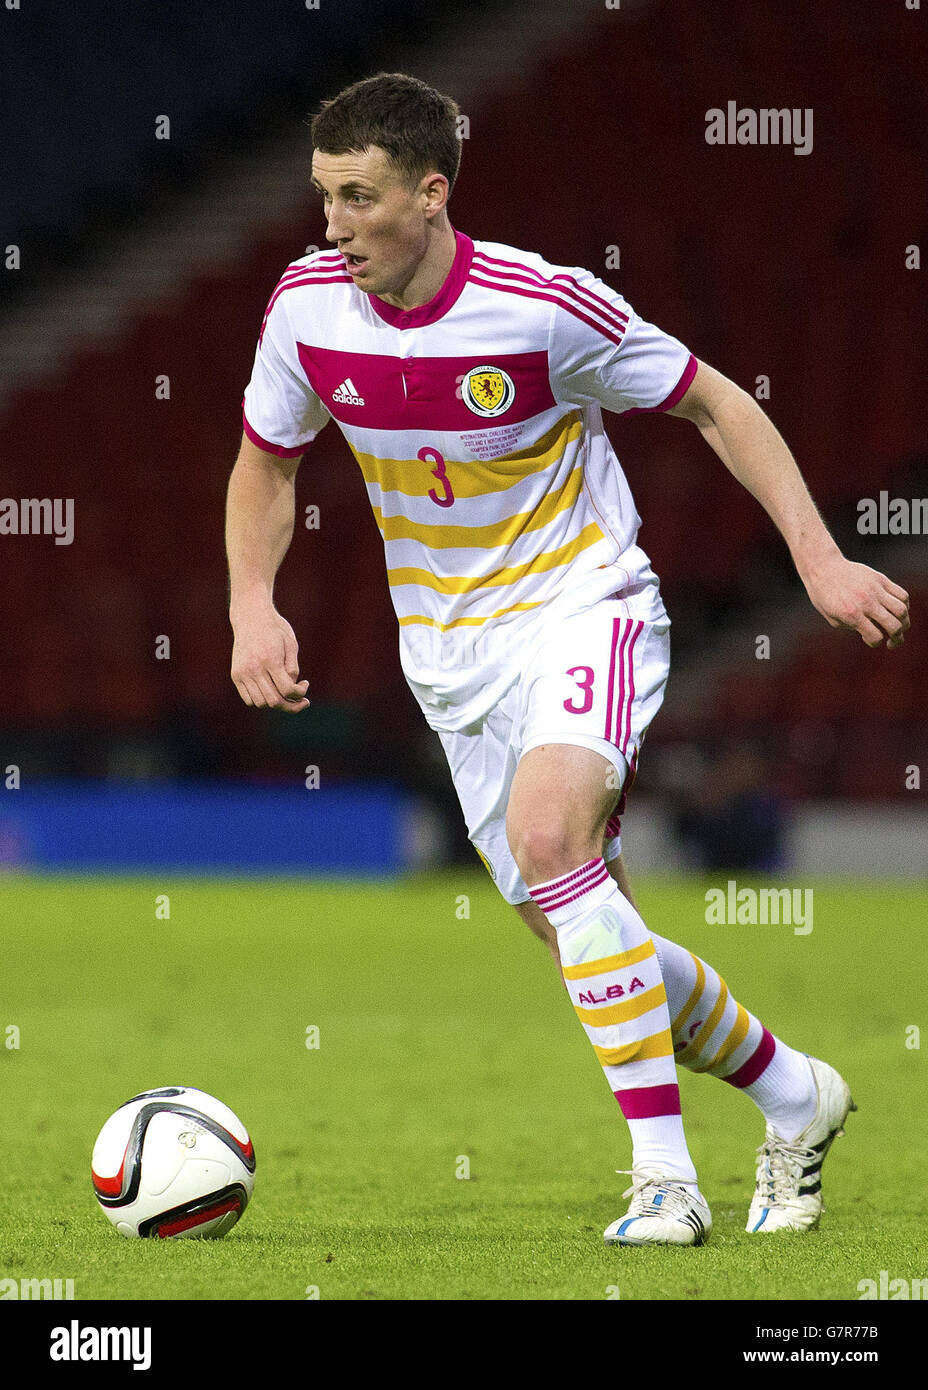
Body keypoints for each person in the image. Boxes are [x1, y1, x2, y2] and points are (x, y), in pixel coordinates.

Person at [225, 72, 910, 1245]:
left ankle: (664, 1182)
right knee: (593, 937)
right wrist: (250, 603)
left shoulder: (542, 306)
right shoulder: (303, 310)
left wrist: (818, 558)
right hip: (447, 659)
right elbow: (267, 465)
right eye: (321, 197)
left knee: (553, 841)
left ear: (429, 195)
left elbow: (717, 405)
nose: (330, 225)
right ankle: (798, 1094)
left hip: (579, 605)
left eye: (356, 197)